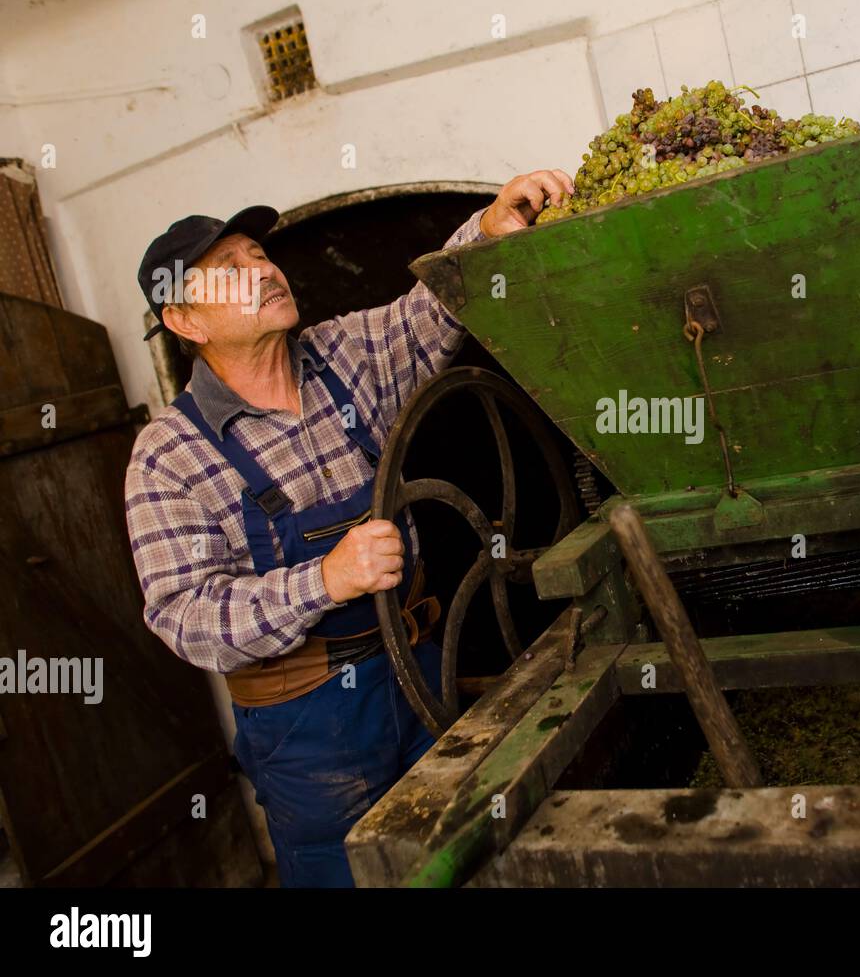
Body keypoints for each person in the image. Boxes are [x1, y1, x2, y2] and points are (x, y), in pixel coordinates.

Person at [124, 170, 574, 887]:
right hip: (308, 730)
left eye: (260, 255)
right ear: (186, 322)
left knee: (467, 858)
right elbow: (183, 616)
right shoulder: (168, 455)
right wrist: (324, 579)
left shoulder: (341, 353)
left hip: (419, 664)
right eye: (230, 269)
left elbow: (426, 314)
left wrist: (485, 230)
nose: (264, 269)